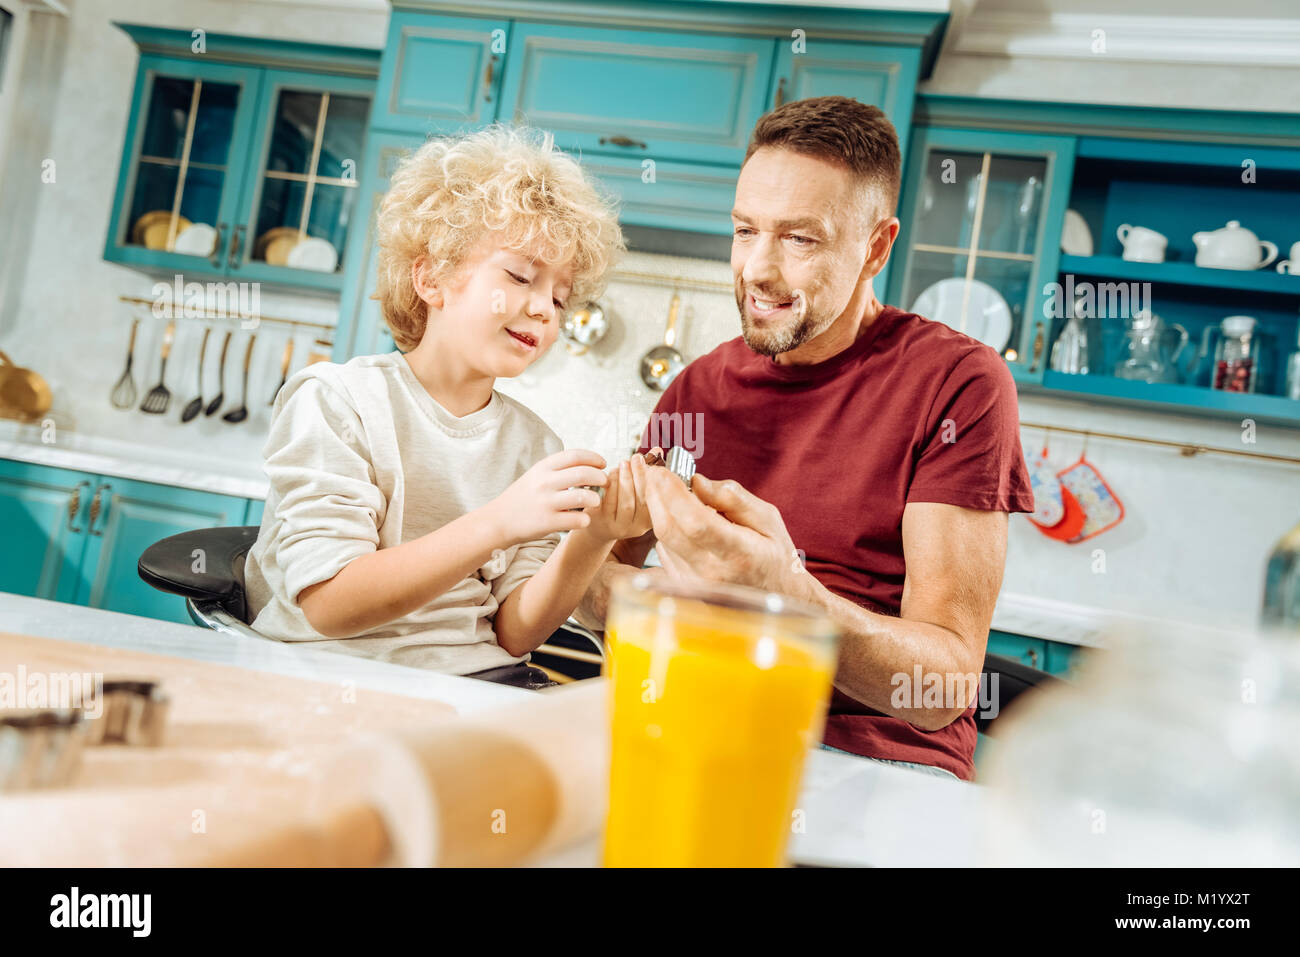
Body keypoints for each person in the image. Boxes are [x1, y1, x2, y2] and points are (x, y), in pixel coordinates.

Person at [579, 97, 1035, 781]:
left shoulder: (960, 382)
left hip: (873, 758)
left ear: (877, 246)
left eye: (800, 239)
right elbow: (588, 582)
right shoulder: (697, 389)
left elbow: (944, 688)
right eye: (744, 231)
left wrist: (787, 595)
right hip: (705, 727)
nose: (757, 269)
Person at [244, 124, 650, 680]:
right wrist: (498, 522)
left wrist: (594, 536)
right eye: (520, 276)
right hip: (323, 678)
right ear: (432, 279)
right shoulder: (338, 401)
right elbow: (330, 605)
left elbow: (515, 633)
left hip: (475, 686)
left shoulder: (534, 446)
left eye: (560, 297)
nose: (544, 310)